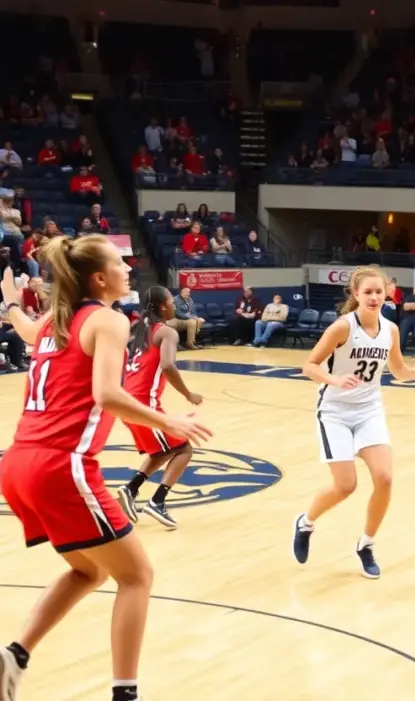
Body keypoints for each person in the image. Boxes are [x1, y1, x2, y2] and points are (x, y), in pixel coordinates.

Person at [0, 237, 211, 701]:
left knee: (89, 571)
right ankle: (125, 694)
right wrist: (167, 419)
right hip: (62, 464)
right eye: (121, 263)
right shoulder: (109, 320)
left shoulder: (55, 321)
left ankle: (13, 656)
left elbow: (23, 327)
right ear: (100, 278)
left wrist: (11, 303)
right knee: (137, 576)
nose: (128, 269)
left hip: (18, 465)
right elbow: (107, 395)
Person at [292, 266, 415, 578]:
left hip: (368, 410)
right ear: (355, 295)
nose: (373, 297)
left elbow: (397, 370)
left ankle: (366, 544)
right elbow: (308, 365)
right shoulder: (343, 327)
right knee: (346, 486)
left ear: (387, 294)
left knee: (384, 478)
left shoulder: (390, 329)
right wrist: (334, 378)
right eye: (367, 292)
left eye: (378, 292)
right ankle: (306, 523)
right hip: (334, 412)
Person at [116, 286, 204, 530]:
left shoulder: (138, 329)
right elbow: (167, 365)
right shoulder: (167, 332)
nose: (174, 305)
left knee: (162, 451)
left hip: (126, 401)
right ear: (164, 305)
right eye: (171, 301)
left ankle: (130, 489)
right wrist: (188, 394)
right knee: (184, 449)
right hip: (144, 404)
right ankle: (157, 501)